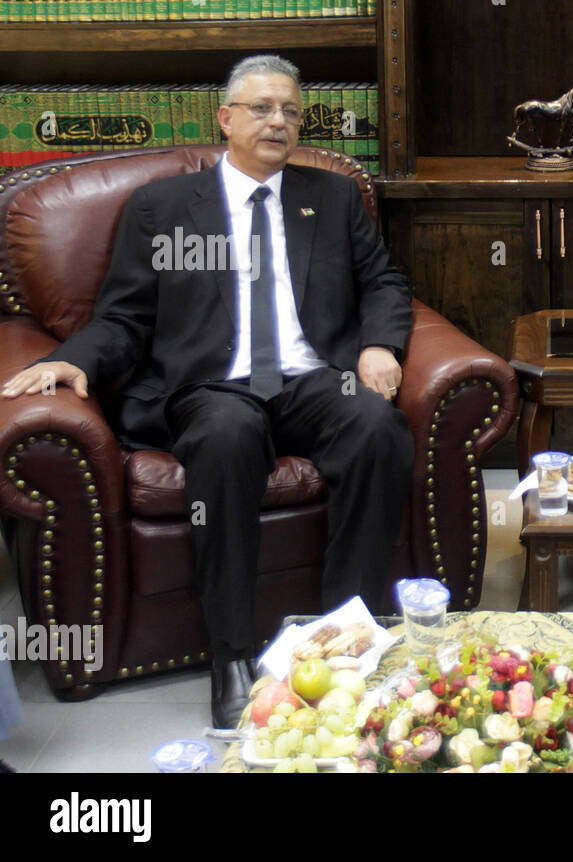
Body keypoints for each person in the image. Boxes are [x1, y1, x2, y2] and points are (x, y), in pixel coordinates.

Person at [0, 55, 414, 729]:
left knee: (376, 426)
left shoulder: (333, 197)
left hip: (311, 378)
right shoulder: (162, 207)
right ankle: (232, 655)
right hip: (211, 385)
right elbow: (125, 316)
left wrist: (379, 345)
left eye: (290, 111)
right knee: (227, 436)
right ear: (225, 118)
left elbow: (384, 283)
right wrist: (72, 361)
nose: (278, 121)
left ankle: (344, 640)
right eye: (261, 108)